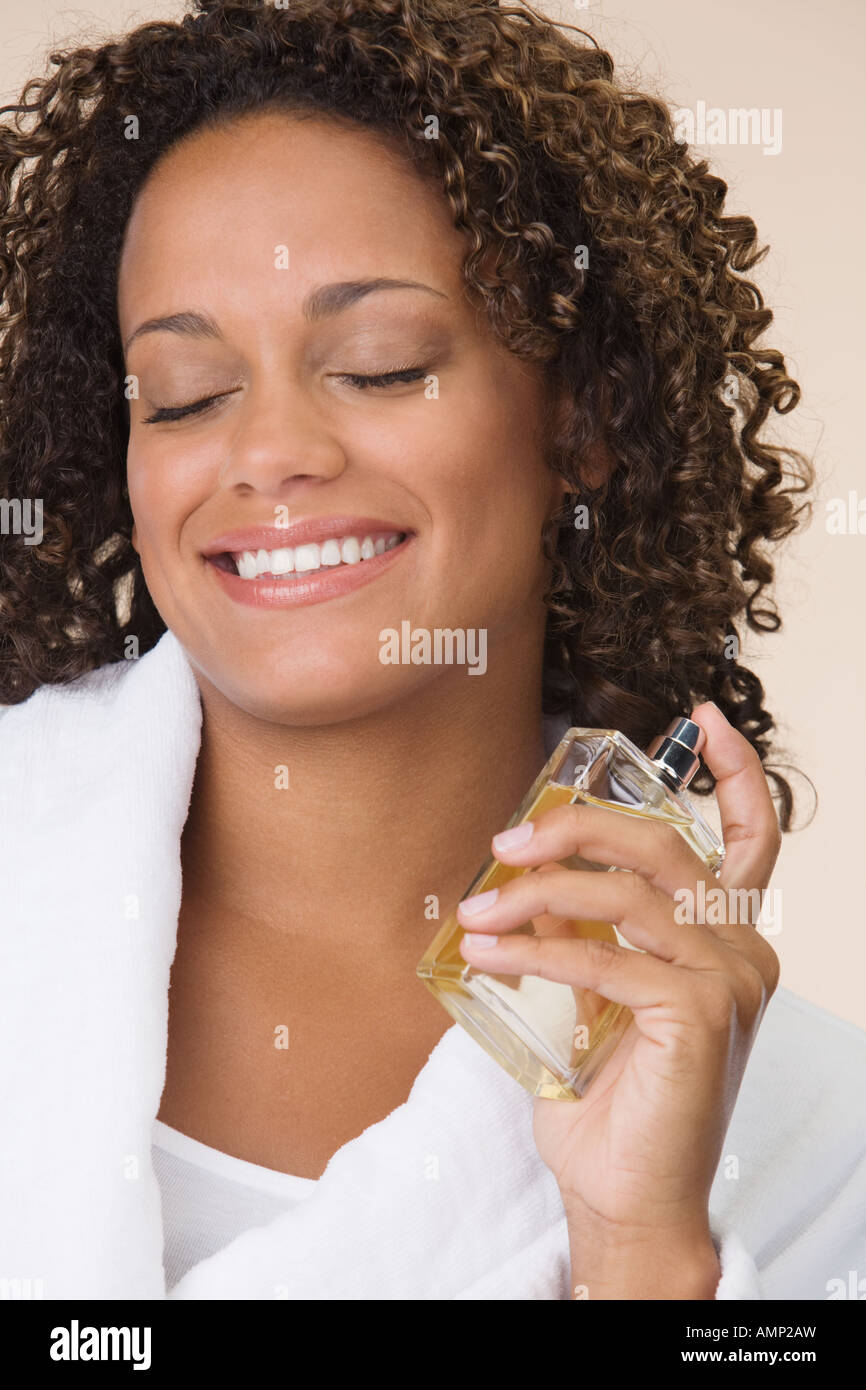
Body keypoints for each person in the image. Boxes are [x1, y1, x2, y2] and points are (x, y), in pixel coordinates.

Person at [1, 0, 863, 1301]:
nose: (269, 451)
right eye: (183, 394)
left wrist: (640, 1246)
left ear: (582, 421)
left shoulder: (805, 1128)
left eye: (380, 365)